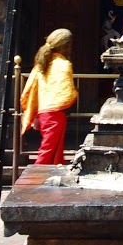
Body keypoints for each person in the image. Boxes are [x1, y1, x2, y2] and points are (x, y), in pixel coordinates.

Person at [20, 28, 77, 165]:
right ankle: (31, 182)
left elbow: (31, 89)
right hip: (55, 114)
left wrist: (36, 115)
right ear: (65, 46)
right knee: (47, 151)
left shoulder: (42, 64)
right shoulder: (63, 65)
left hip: (44, 113)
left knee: (55, 152)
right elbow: (67, 92)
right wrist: (76, 93)